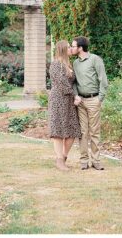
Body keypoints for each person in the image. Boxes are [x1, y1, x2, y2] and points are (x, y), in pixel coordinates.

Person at [70, 36, 108, 171]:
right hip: (80, 101)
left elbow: (103, 80)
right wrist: (76, 95)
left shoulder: (95, 60)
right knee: (83, 132)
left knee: (94, 132)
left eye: (73, 46)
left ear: (80, 48)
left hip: (93, 100)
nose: (71, 48)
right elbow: (73, 82)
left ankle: (96, 161)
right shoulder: (75, 63)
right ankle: (84, 161)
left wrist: (100, 98)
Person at [47, 40, 81, 171]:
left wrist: (75, 95)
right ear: (62, 49)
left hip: (69, 101)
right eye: (68, 47)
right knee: (58, 131)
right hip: (58, 100)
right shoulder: (56, 64)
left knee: (72, 130)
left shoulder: (69, 64)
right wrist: (75, 95)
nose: (71, 49)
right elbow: (61, 83)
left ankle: (63, 157)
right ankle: (59, 160)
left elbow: (72, 83)